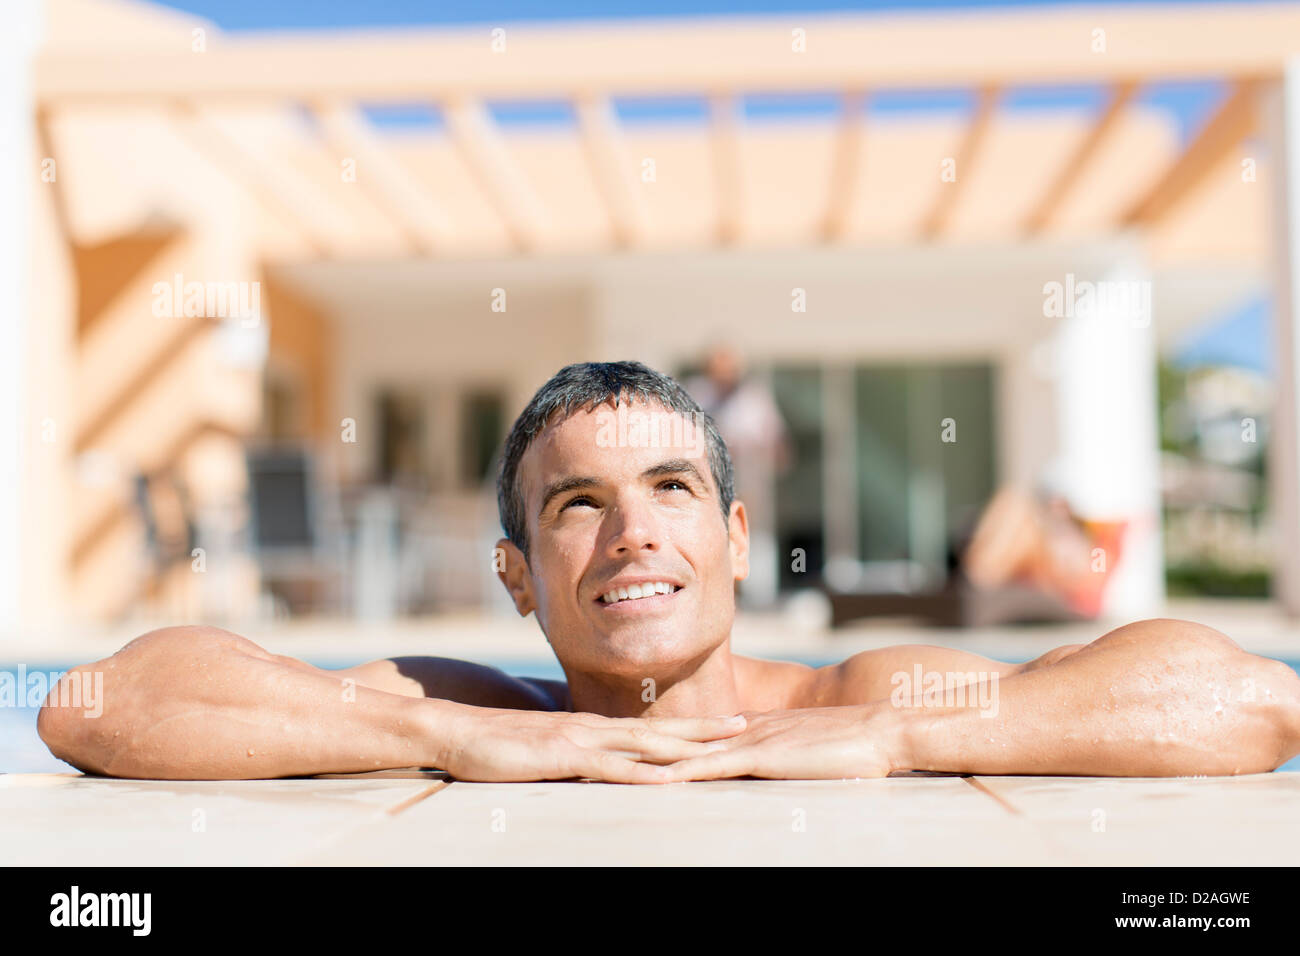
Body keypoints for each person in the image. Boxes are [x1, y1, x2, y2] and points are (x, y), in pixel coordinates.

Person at [39, 361, 1300, 782]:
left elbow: (1252, 698)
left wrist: (898, 738)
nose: (632, 534)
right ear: (517, 576)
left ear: (737, 540)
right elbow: (91, 705)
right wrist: (458, 736)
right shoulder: (468, 706)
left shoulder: (854, 698)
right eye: (578, 504)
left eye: (671, 490)